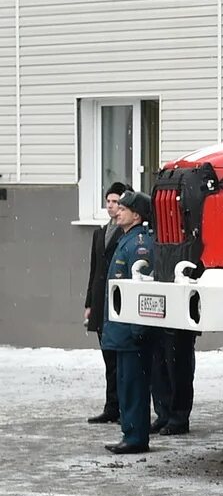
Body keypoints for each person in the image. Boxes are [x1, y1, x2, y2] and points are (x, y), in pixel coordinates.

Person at [99, 189, 156, 454]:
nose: (117, 211)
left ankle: (135, 437)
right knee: (125, 383)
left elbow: (143, 289)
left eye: (123, 208)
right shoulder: (126, 240)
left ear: (136, 215)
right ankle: (130, 432)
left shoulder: (139, 244)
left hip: (132, 331)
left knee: (133, 385)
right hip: (122, 329)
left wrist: (138, 330)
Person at [83, 183, 126, 424]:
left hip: (117, 302)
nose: (111, 206)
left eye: (116, 201)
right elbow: (94, 270)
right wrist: (89, 302)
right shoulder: (100, 232)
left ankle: (123, 408)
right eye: (108, 201)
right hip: (101, 304)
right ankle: (111, 407)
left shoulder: (127, 232)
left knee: (122, 360)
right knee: (108, 359)